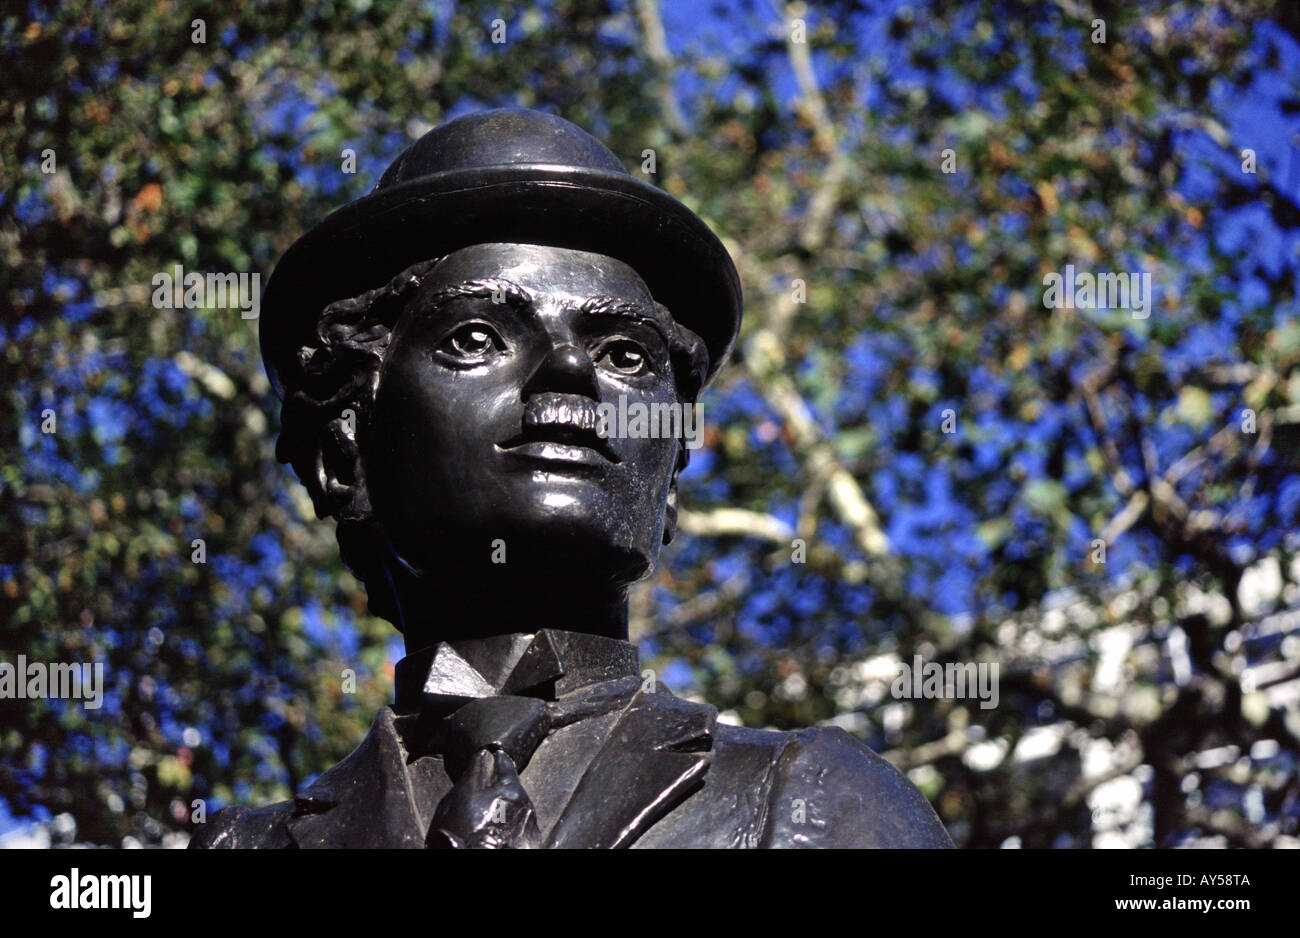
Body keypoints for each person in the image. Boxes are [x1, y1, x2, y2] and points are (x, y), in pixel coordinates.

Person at [191, 108, 951, 848]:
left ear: (671, 483)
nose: (568, 370)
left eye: (626, 356)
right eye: (477, 338)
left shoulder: (819, 802)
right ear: (345, 456)